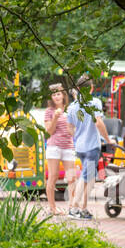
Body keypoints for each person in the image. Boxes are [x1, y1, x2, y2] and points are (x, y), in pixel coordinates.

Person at [65, 74, 110, 220]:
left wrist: (78, 137)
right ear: (91, 88)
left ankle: (84, 209)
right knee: (85, 177)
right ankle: (73, 207)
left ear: (78, 88)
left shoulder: (72, 107)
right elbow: (99, 123)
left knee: (90, 178)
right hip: (92, 147)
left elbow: (69, 128)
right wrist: (108, 140)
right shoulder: (94, 102)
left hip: (80, 147)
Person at [42, 83, 76, 216]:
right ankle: (53, 208)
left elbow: (73, 130)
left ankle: (72, 207)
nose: (56, 96)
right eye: (54, 94)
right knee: (53, 176)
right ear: (51, 97)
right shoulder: (49, 111)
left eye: (58, 93)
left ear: (63, 95)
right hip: (54, 147)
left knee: (71, 178)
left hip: (68, 146)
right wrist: (55, 117)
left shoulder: (70, 109)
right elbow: (49, 131)